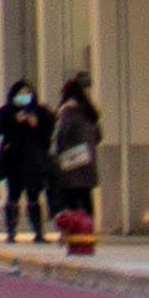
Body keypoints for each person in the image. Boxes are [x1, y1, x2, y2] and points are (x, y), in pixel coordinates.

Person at [0, 76, 51, 244]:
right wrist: (14, 121)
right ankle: (11, 231)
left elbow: (48, 131)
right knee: (13, 196)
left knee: (34, 196)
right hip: (14, 160)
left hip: (34, 160)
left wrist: (35, 123)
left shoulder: (40, 111)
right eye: (20, 95)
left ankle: (38, 231)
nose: (24, 99)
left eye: (27, 95)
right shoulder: (7, 111)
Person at [49, 68, 104, 251]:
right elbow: (98, 136)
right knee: (86, 199)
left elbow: (62, 137)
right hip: (88, 163)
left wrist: (57, 157)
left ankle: (73, 236)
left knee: (70, 200)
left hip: (71, 164)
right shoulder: (89, 112)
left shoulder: (67, 113)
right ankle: (88, 232)